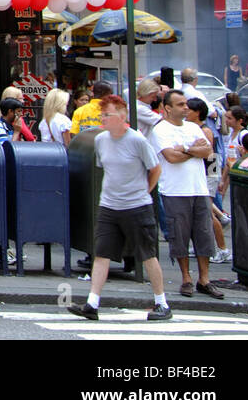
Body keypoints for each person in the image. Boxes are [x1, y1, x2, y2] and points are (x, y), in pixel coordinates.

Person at [66, 95, 172, 321]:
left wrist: (144, 191)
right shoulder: (101, 140)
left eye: (108, 114)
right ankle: (92, 304)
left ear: (122, 116)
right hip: (109, 205)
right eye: (102, 114)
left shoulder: (137, 140)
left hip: (136, 205)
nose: (103, 118)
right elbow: (105, 169)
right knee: (102, 253)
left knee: (147, 254)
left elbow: (155, 169)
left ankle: (162, 302)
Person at [149, 90, 222, 299]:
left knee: (204, 233)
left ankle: (204, 279)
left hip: (198, 188)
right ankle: (186, 278)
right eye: (180, 104)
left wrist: (185, 149)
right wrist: (192, 150)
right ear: (167, 108)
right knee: (179, 235)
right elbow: (170, 157)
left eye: (185, 104)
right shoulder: (160, 130)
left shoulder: (193, 128)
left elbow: (207, 151)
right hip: (175, 190)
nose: (185, 108)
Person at [185, 98, 231, 263]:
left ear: (197, 113)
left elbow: (209, 155)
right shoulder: (193, 128)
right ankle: (202, 246)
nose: (185, 111)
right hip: (202, 174)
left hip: (207, 174)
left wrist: (213, 179)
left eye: (188, 109)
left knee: (207, 214)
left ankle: (223, 248)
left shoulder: (205, 130)